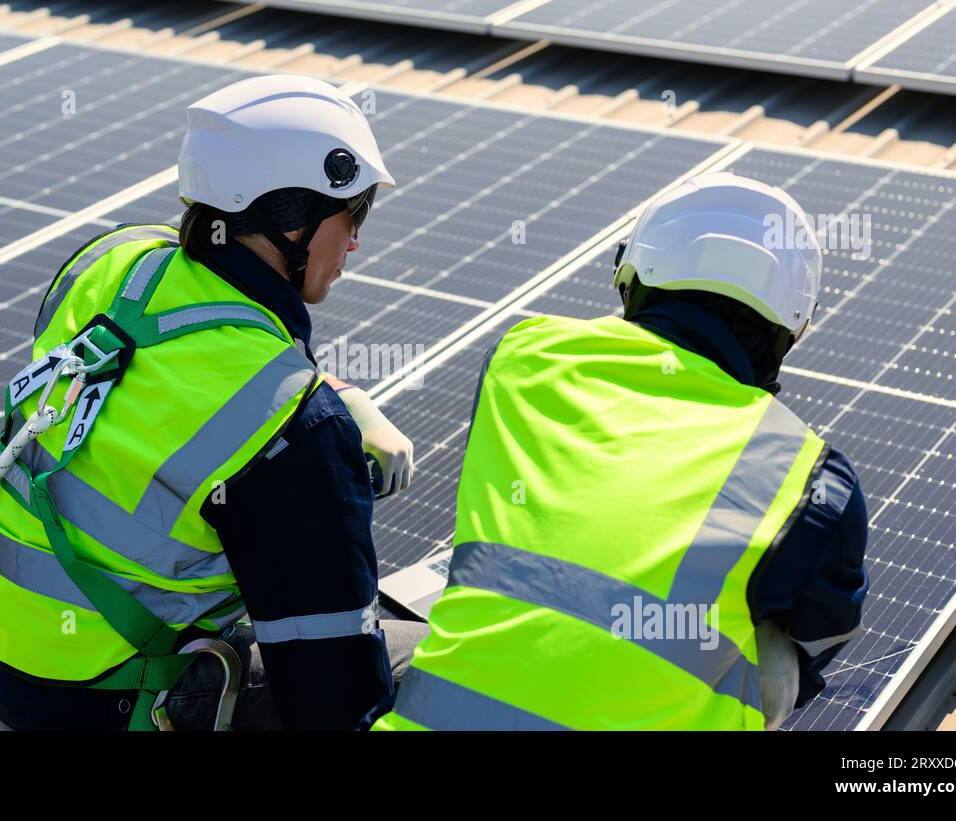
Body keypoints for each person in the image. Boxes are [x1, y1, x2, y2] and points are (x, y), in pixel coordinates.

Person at [0, 73, 426, 731]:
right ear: (293, 216)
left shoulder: (112, 263)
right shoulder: (293, 429)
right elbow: (334, 696)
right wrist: (323, 448)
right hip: (93, 696)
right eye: (354, 213)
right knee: (418, 663)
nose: (357, 241)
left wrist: (335, 397)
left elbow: (160, 384)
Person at [371, 172, 869, 731]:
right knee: (773, 639)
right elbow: (821, 635)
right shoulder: (812, 477)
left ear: (632, 277)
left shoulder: (523, 356)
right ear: (789, 329)